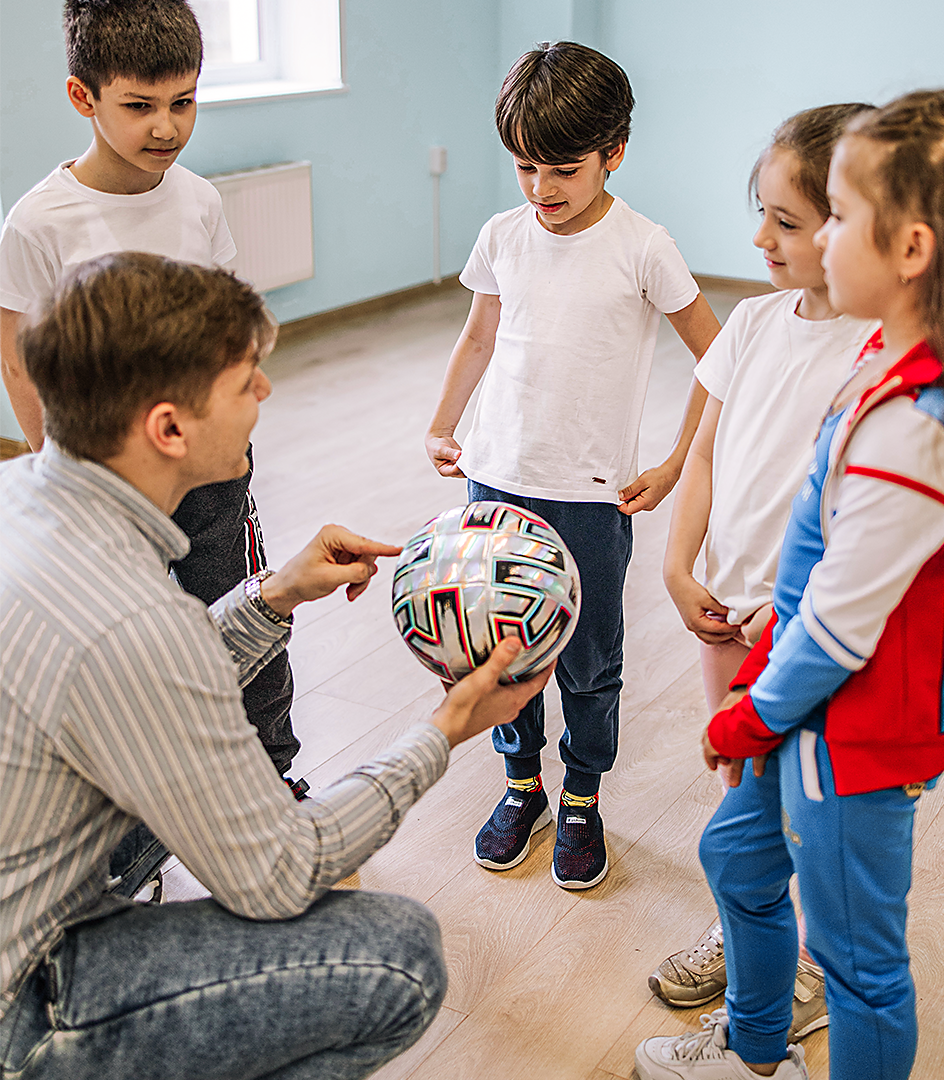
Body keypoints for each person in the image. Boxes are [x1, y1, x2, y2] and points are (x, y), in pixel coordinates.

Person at [0, 252, 553, 1079]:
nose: (265, 393)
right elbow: (279, 874)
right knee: (397, 960)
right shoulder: (134, 616)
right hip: (22, 1000)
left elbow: (145, 689)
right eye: (246, 381)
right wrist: (444, 730)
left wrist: (272, 595)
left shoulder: (23, 495)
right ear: (168, 428)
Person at [635, 90, 944, 1080]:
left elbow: (839, 626)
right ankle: (753, 1056)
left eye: (837, 212)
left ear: (910, 248)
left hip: (855, 737)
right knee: (740, 862)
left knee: (858, 965)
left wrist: (747, 716)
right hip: (811, 703)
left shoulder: (917, 429)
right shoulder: (885, 355)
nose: (818, 236)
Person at [0, 0, 303, 896]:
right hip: (101, 499)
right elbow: (23, 367)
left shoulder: (201, 201)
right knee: (126, 668)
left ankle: (276, 792)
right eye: (139, 105)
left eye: (185, 101)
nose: (167, 126)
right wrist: (66, 482)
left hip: (208, 481)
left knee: (246, 627)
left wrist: (235, 437)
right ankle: (127, 849)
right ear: (81, 96)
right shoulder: (39, 223)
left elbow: (232, 330)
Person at [425, 41, 720, 890]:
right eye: (525, 167)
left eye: (562, 169)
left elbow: (718, 356)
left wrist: (671, 463)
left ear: (614, 152)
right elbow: (479, 335)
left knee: (589, 659)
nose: (541, 191)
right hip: (493, 482)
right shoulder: (501, 236)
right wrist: (443, 426)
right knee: (500, 652)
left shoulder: (644, 246)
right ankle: (524, 788)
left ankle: (583, 796)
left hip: (590, 501)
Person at [647, 104, 878, 1041]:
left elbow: (866, 525)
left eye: (786, 221)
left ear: (855, 224)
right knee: (742, 783)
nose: (759, 237)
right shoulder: (748, 323)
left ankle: (817, 957)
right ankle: (750, 923)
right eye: (762, 214)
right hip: (724, 615)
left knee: (811, 804)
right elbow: (703, 452)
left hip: (809, 631)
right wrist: (674, 562)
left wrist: (791, 613)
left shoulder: (878, 357)